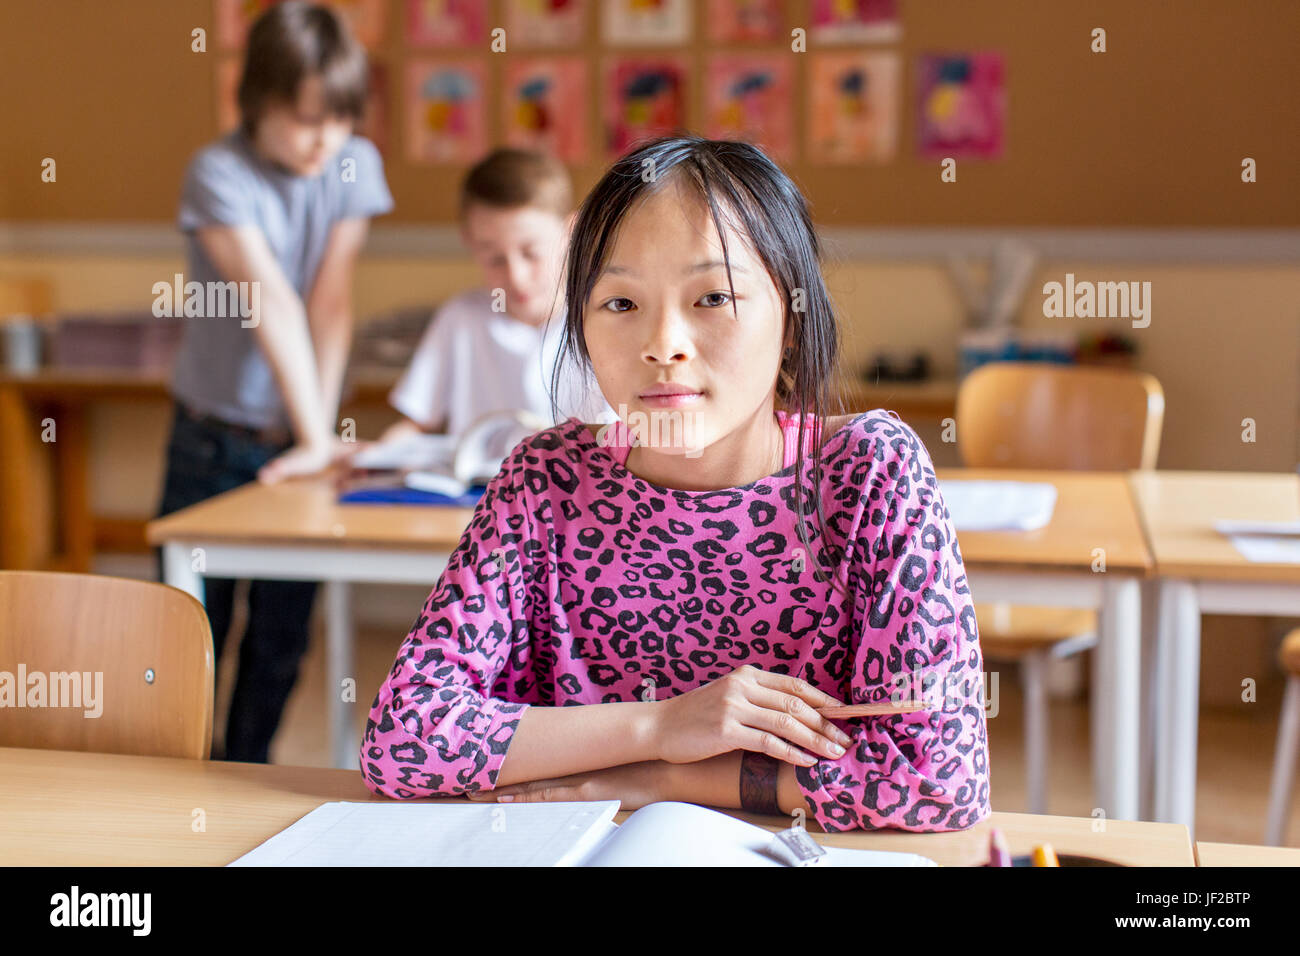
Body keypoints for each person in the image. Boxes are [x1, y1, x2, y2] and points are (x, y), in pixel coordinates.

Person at [360, 136, 989, 831]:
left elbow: (936, 778)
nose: (663, 343)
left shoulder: (869, 472)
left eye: (713, 296)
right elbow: (404, 737)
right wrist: (660, 729)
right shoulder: (543, 481)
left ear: (790, 317)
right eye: (621, 303)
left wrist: (662, 781)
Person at [156, 2, 393, 762]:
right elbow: (272, 304)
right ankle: (179, 782)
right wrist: (319, 439)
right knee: (195, 629)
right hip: (211, 438)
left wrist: (313, 439)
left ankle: (240, 776)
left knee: (282, 637)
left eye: (341, 118)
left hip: (300, 437)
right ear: (256, 100)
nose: (326, 138)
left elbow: (328, 302)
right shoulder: (217, 172)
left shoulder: (354, 163)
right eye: (306, 119)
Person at [380, 148, 614, 447]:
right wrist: (375, 459)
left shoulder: (607, 318)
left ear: (572, 230)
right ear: (470, 243)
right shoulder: (461, 319)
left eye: (531, 253)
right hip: (482, 492)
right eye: (494, 259)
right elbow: (414, 425)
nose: (515, 276)